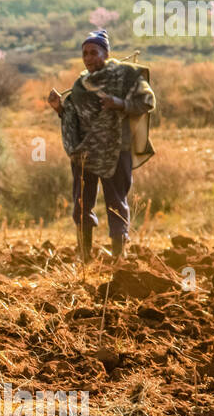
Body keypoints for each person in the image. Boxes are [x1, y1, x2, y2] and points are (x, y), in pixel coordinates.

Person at [47, 29, 155, 262]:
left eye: (93, 52)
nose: (88, 58)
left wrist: (119, 103)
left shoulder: (125, 76)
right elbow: (73, 118)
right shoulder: (80, 85)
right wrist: (59, 108)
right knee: (81, 202)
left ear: (106, 53)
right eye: (85, 53)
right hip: (84, 151)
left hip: (117, 149)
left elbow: (147, 101)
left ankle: (119, 256)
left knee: (116, 201)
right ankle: (85, 257)